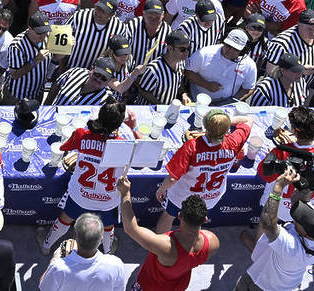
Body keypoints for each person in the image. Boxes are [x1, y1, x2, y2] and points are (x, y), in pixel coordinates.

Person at [39, 102, 136, 255]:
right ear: (119, 123)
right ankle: (108, 251)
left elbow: (64, 148)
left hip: (81, 195)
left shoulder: (81, 134)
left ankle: (46, 245)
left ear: (99, 116)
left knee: (66, 218)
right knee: (107, 226)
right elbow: (144, 160)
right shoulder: (126, 145)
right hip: (107, 199)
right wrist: (133, 128)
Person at [155, 109, 252, 233]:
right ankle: (191, 247)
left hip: (182, 197)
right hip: (210, 197)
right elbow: (249, 119)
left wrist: (162, 189)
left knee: (168, 217)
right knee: (195, 223)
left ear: (205, 126)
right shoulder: (234, 142)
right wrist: (223, 124)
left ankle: (159, 248)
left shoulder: (192, 146)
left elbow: (173, 177)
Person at [236, 166, 314, 291]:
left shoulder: (291, 249)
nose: (296, 218)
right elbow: (304, 203)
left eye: (299, 220)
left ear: (306, 235)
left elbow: (268, 222)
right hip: (289, 283)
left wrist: (278, 187)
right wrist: (303, 185)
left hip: (262, 285)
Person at [117, 176, 218, 291]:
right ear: (205, 219)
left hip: (149, 287)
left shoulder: (166, 246)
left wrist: (125, 193)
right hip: (178, 287)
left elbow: (131, 228)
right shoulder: (213, 242)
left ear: (179, 216)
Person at [38, 213, 128, 290]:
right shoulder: (116, 264)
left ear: (75, 236)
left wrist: (54, 260)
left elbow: (43, 287)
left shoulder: (58, 267)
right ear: (101, 239)